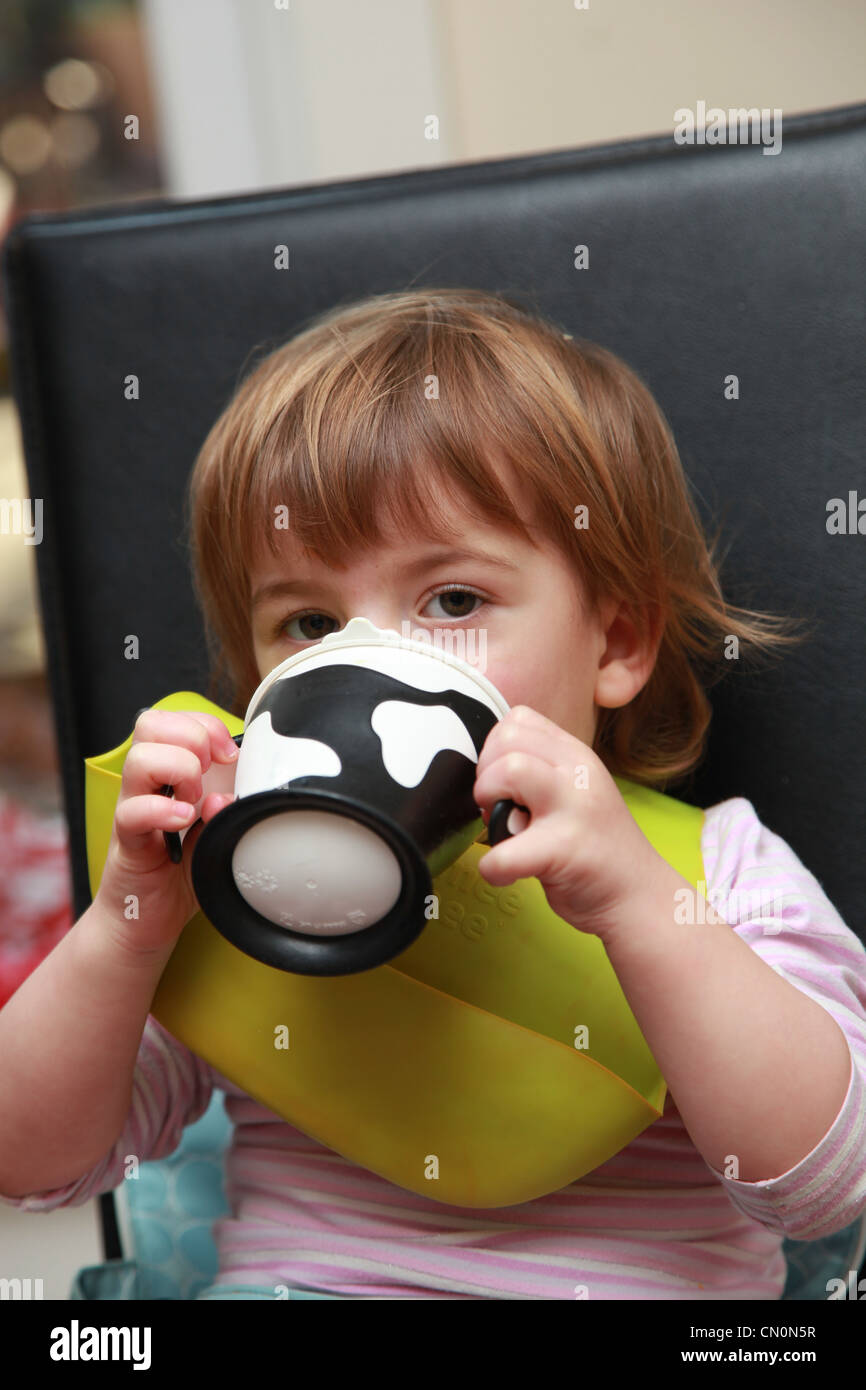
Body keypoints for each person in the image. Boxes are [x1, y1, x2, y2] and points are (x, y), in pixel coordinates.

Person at [1, 288, 864, 1300]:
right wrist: (126, 931)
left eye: (453, 600)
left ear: (617, 641)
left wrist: (641, 910)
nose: (372, 657)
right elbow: (33, 1164)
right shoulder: (231, 887)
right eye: (311, 624)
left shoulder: (712, 871)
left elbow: (823, 1189)